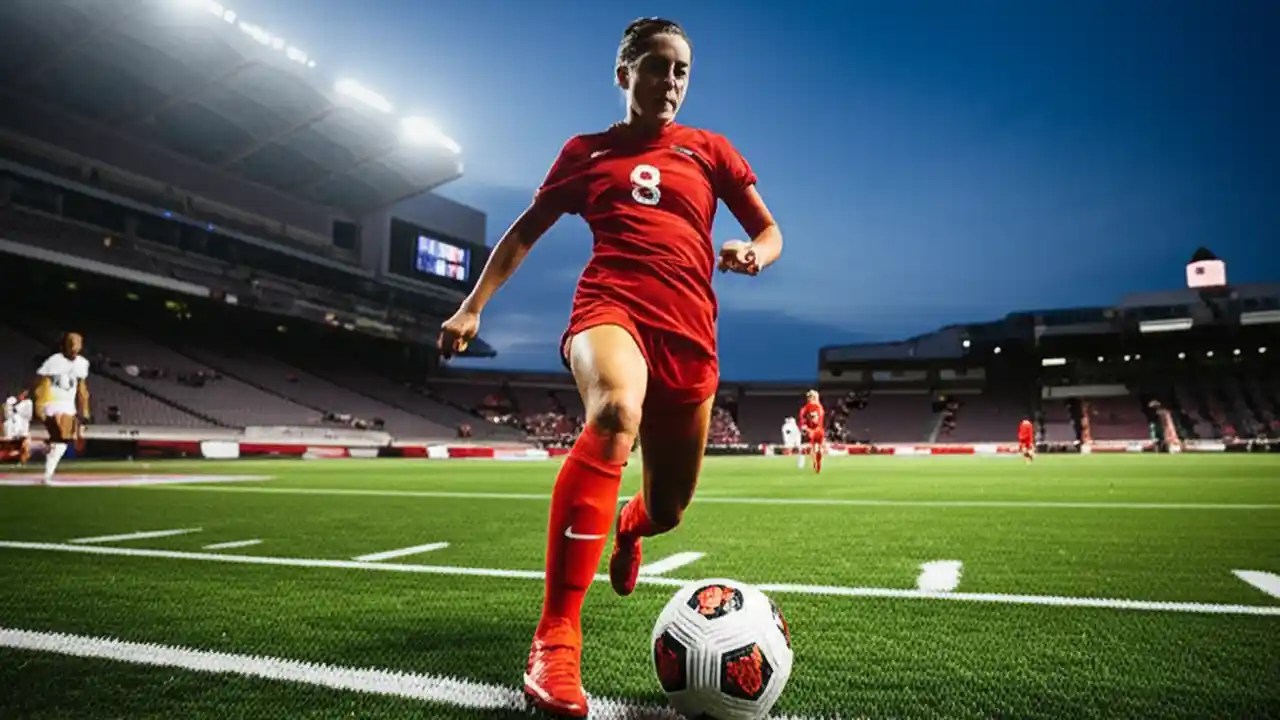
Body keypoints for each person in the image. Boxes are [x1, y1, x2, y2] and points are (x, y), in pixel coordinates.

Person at [437, 17, 782, 718]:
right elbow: (525, 230)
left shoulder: (710, 150)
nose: (671, 82)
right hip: (609, 307)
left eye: (682, 70)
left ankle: (627, 528)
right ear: (623, 73)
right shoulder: (585, 153)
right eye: (657, 66)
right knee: (616, 409)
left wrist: (757, 254)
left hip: (690, 334)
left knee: (669, 509)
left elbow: (769, 230)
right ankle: (556, 638)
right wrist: (473, 306)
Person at [34, 332, 91, 484]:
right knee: (61, 438)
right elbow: (42, 383)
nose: (75, 347)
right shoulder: (54, 361)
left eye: (78, 343)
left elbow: (82, 389)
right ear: (65, 345)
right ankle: (43, 459)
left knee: (61, 442)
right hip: (53, 402)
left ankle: (40, 450)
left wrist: (84, 410)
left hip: (68, 405)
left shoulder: (82, 364)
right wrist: (40, 403)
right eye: (72, 343)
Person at [3, 390, 34, 466]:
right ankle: (13, 460)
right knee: (12, 447)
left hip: (23, 429)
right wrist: (10, 405)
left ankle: (22, 461)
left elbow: (28, 415)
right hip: (12, 430)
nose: (21, 395)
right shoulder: (10, 402)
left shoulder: (28, 403)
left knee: (24, 446)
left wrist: (15, 407)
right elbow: (7, 415)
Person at [798, 390, 825, 474]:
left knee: (817, 448)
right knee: (815, 448)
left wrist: (804, 426)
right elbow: (802, 417)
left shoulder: (814, 407)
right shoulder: (817, 407)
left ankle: (817, 464)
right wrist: (804, 426)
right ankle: (816, 465)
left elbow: (803, 418)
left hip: (816, 430)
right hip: (815, 430)